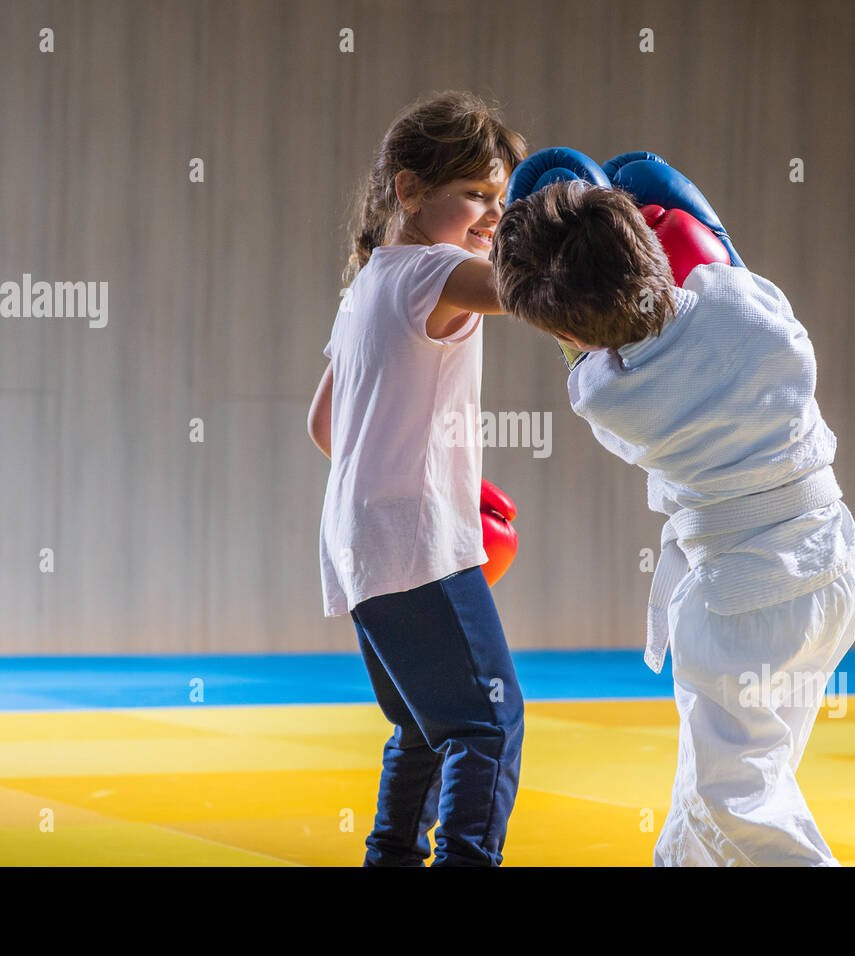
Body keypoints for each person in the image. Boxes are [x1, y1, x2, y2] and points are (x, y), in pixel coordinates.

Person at [492, 178, 855, 866]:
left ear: (568, 332)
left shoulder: (607, 397)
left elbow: (583, 347)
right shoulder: (752, 309)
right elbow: (702, 245)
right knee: (730, 781)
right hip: (831, 565)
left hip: (739, 601)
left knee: (735, 800)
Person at [305, 91, 527, 866]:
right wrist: (604, 238)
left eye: (501, 200)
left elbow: (324, 428)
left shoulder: (366, 285)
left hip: (358, 543)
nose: (493, 216)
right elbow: (531, 293)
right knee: (488, 723)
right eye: (476, 195)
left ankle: (389, 857)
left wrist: (416, 466)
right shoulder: (437, 270)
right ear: (408, 189)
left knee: (427, 726)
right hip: (413, 543)